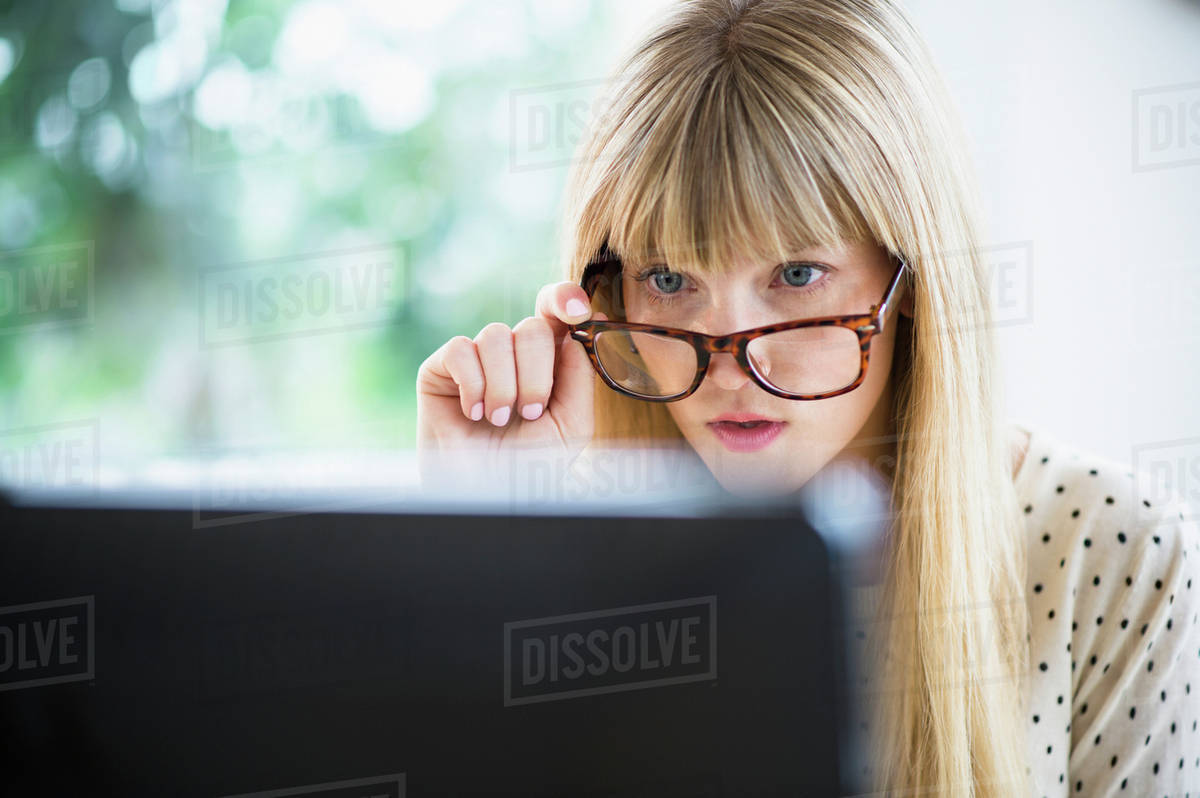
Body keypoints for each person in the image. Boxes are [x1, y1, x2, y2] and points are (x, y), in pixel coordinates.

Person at [415, 0, 1200, 794]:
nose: (732, 366)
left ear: (915, 281)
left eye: (795, 276)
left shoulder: (1116, 552)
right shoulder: (577, 558)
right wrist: (484, 543)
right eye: (668, 280)